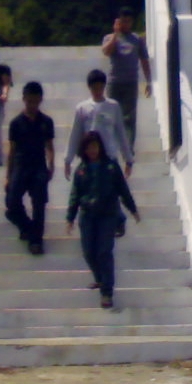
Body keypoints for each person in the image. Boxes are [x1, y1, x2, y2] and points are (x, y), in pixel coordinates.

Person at [65, 131, 139, 309]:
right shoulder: (81, 170)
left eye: (95, 146)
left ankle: (107, 292)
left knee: (104, 252)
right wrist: (70, 218)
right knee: (89, 252)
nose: (92, 150)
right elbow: (75, 195)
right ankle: (100, 279)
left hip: (107, 214)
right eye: (89, 147)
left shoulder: (111, 167)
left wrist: (133, 209)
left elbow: (123, 189)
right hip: (87, 215)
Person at [3, 80, 56, 255]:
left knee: (39, 204)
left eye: (35, 101)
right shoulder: (16, 123)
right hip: (20, 165)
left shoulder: (46, 121)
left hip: (38, 166)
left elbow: (49, 145)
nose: (32, 104)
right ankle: (28, 227)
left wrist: (51, 163)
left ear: (40, 100)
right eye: (29, 100)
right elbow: (12, 150)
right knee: (11, 204)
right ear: (23, 99)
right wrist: (8, 175)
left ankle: (36, 241)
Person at [65, 68, 132, 179]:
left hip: (109, 157)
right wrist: (68, 160)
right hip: (90, 159)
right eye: (94, 88)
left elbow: (121, 134)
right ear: (89, 88)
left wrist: (128, 159)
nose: (97, 91)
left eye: (100, 88)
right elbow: (75, 135)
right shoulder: (82, 108)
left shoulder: (113, 106)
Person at [101, 7, 152, 146]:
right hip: (114, 82)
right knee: (111, 114)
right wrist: (116, 34)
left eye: (129, 22)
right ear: (118, 21)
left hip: (130, 82)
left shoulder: (137, 39)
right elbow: (106, 51)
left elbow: (144, 60)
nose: (126, 24)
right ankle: (111, 146)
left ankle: (129, 147)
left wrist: (149, 81)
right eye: (123, 21)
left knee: (130, 117)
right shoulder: (109, 38)